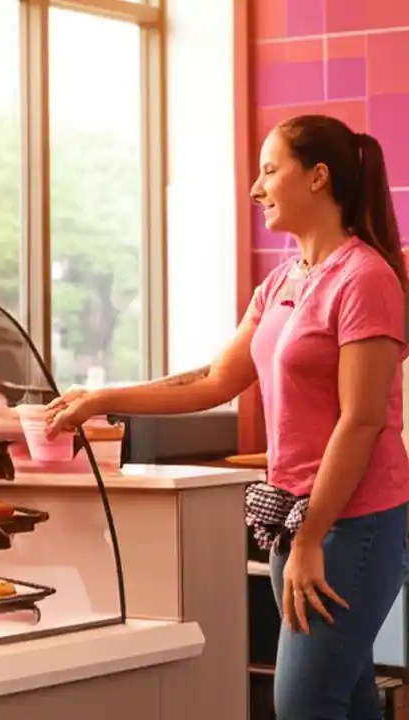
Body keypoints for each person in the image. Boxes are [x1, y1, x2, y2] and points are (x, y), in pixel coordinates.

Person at [48, 114, 408, 720]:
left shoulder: (364, 279)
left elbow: (362, 420)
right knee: (344, 700)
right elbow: (214, 380)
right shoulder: (281, 283)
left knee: (302, 704)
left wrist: (313, 537)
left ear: (319, 177)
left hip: (352, 524)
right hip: (294, 516)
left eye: (270, 170)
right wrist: (102, 398)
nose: (256, 188)